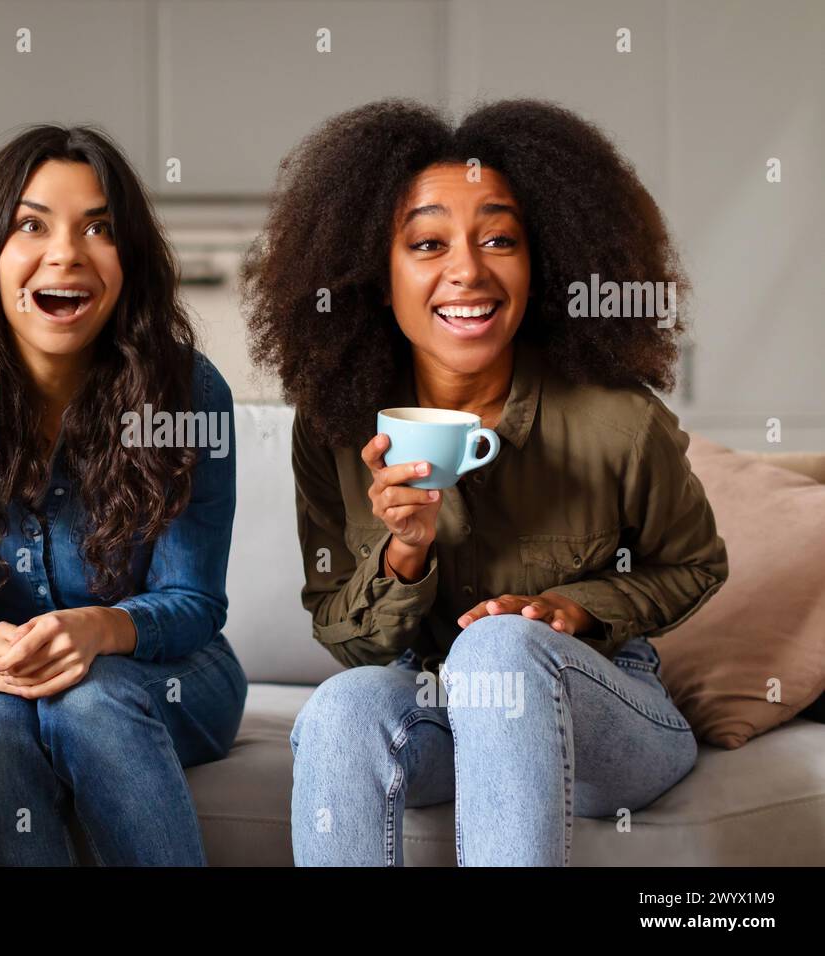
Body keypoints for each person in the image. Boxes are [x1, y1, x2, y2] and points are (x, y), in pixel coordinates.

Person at [240, 98, 729, 866]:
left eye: (499, 238)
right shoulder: (335, 429)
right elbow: (346, 636)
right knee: (342, 708)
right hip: (436, 702)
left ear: (544, 262)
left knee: (499, 649)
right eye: (428, 243)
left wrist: (576, 608)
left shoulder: (617, 422)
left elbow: (696, 564)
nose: (467, 269)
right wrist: (404, 555)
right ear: (376, 272)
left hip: (608, 718)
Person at [0, 124, 246, 865]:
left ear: (129, 260)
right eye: (31, 225)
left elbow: (195, 602)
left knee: (91, 698)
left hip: (168, 675)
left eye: (98, 228)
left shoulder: (190, 392)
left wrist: (99, 630)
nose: (66, 253)